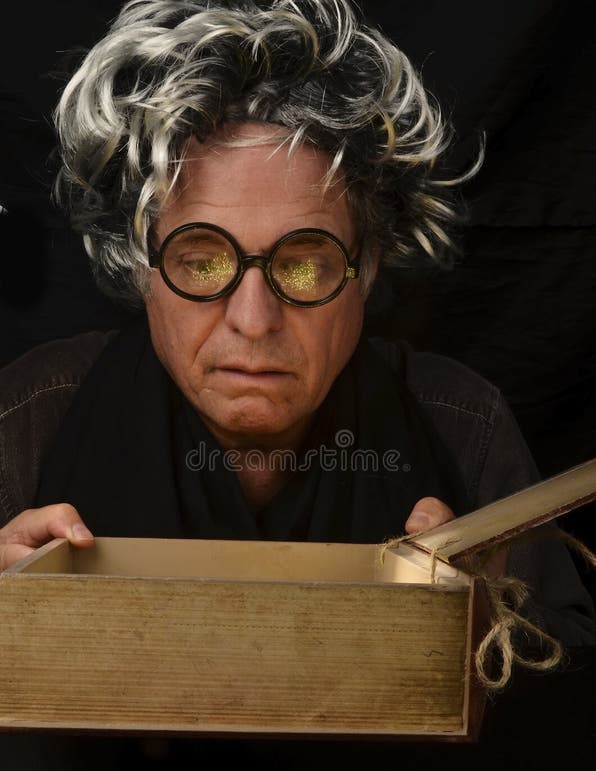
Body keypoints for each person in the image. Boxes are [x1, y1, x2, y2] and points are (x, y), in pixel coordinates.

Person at [0, 0, 593, 646]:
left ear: (366, 268)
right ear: (140, 265)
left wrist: (489, 631)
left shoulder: (466, 430)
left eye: (304, 266)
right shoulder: (28, 425)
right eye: (202, 263)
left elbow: (566, 700)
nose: (254, 321)